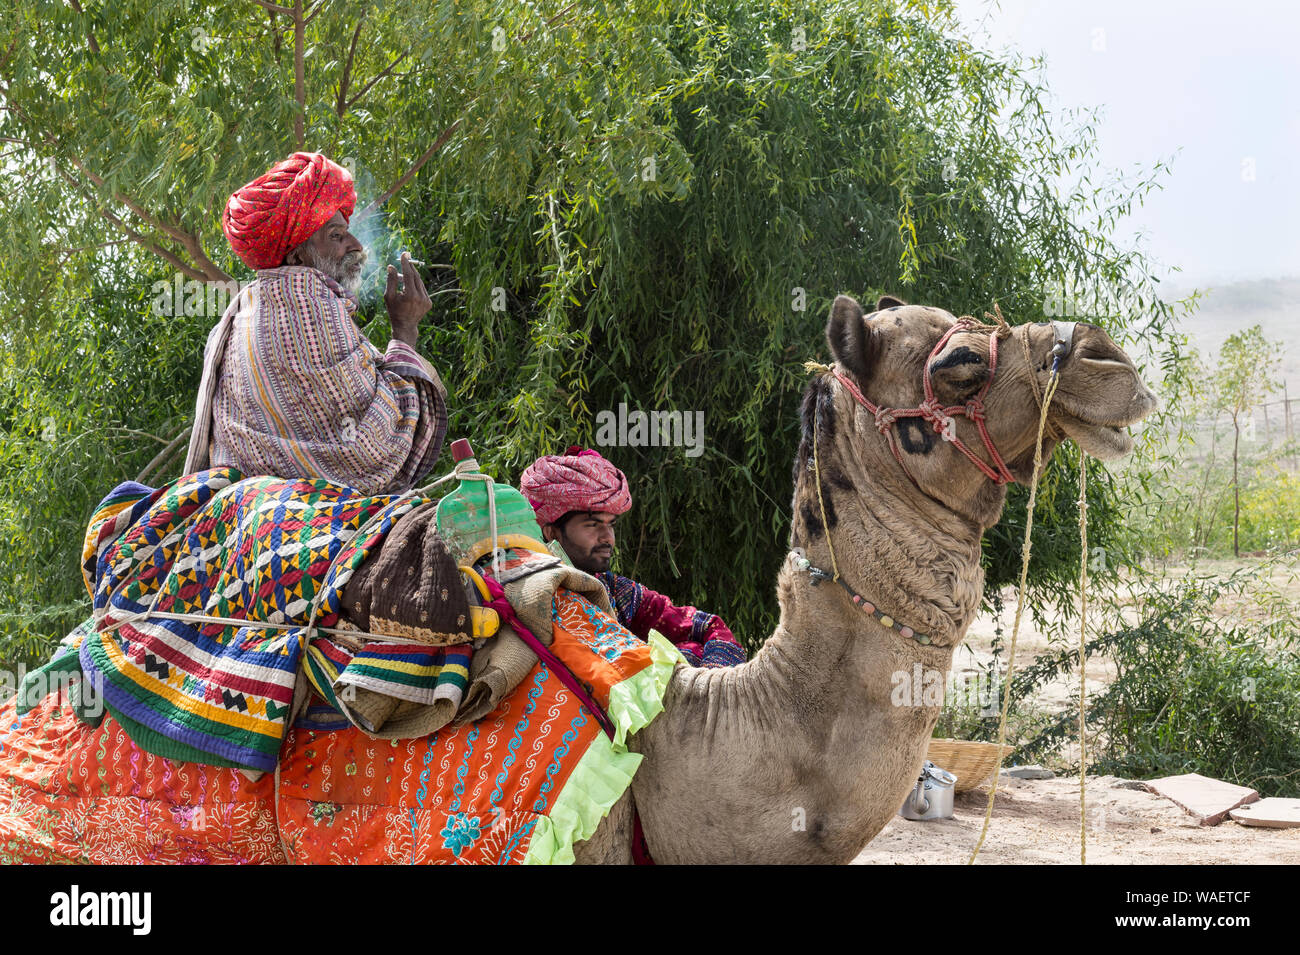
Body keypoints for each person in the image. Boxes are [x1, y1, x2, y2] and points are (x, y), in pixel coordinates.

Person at [184, 151, 448, 495]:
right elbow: (370, 450)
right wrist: (405, 329)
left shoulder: (241, 310)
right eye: (336, 236)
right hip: (310, 510)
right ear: (296, 254)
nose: (355, 245)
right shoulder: (309, 303)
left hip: (248, 504)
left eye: (348, 233)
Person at [519, 447, 745, 668]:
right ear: (551, 532)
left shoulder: (616, 592)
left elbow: (706, 626)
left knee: (690, 651)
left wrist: (711, 685)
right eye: (592, 525)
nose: (607, 538)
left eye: (611, 525)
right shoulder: (526, 597)